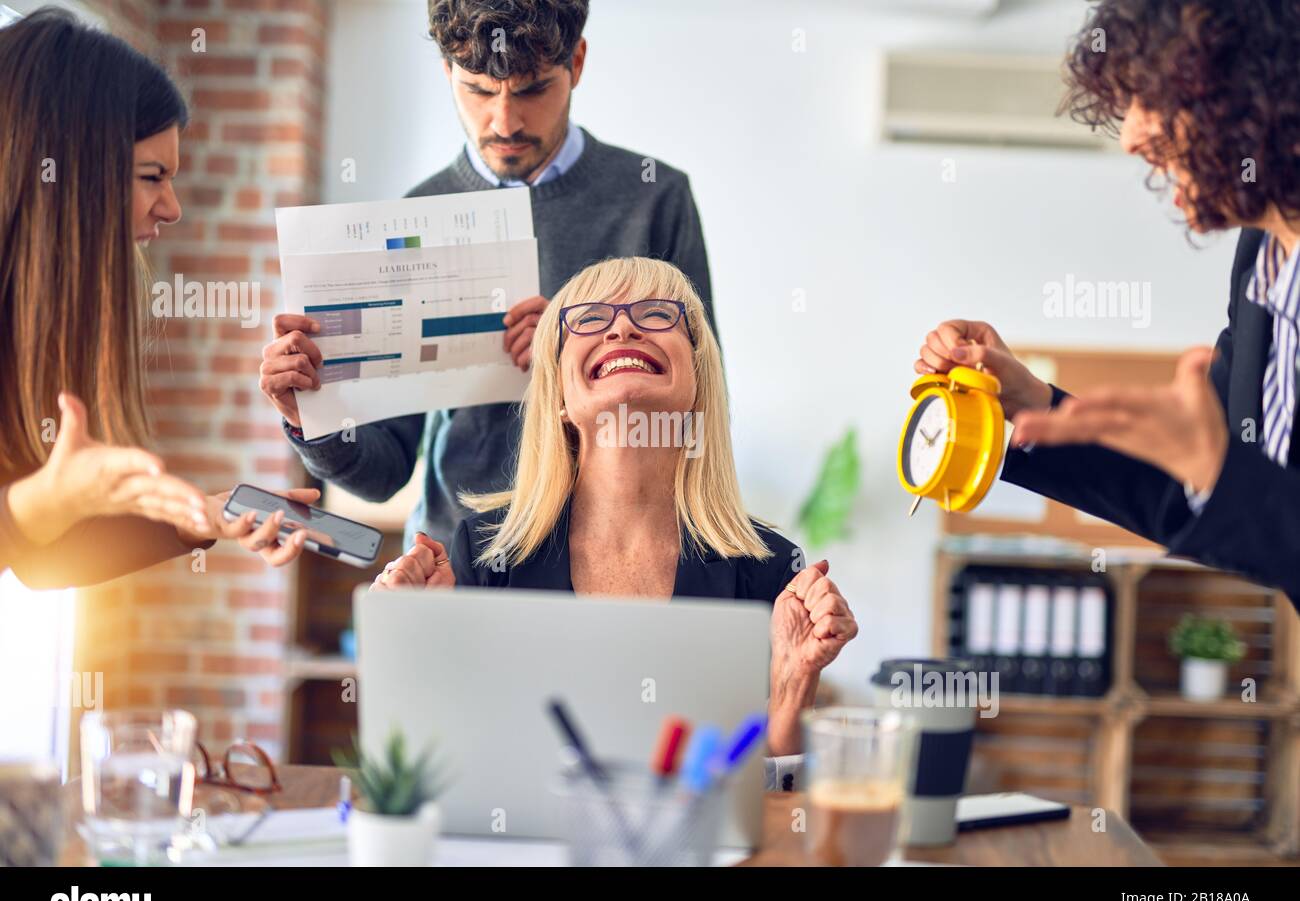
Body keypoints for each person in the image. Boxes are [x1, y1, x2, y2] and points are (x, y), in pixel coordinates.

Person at [369, 257, 857, 786]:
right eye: (590, 319)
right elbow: (438, 772)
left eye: (655, 314)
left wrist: (793, 682)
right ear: (557, 396)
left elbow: (769, 809)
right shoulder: (482, 557)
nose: (623, 328)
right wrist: (410, 642)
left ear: (698, 379)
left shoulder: (768, 569)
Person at [260, 0, 715, 548]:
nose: (505, 123)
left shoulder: (654, 199)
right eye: (477, 90)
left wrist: (582, 359)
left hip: (616, 555)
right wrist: (310, 417)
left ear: (577, 61)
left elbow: (702, 422)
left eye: (531, 90)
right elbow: (384, 473)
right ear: (447, 72)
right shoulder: (413, 216)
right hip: (452, 558)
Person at [915, 0, 1300, 608]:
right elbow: (1188, 492)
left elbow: (1227, 483)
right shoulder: (1261, 260)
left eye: (1155, 96)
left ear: (1261, 84)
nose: (1130, 137)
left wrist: (1223, 477)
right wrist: (1032, 404)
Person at [0, 8, 312, 588]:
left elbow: (43, 556)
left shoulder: (36, 324)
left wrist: (204, 516)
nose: (172, 208)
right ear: (67, 173)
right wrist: (47, 497)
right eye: (151, 176)